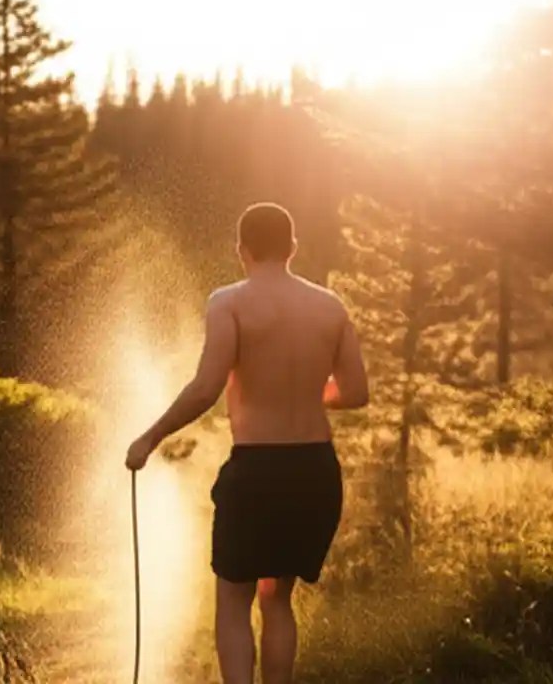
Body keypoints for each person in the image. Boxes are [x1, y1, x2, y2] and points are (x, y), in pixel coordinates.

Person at [125, 202, 370, 684]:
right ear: (293, 248)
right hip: (314, 470)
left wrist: (149, 438)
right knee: (277, 599)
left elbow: (205, 388)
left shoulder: (229, 302)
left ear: (243, 251)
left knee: (233, 601)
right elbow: (357, 393)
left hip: (257, 472)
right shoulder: (330, 306)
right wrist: (304, 389)